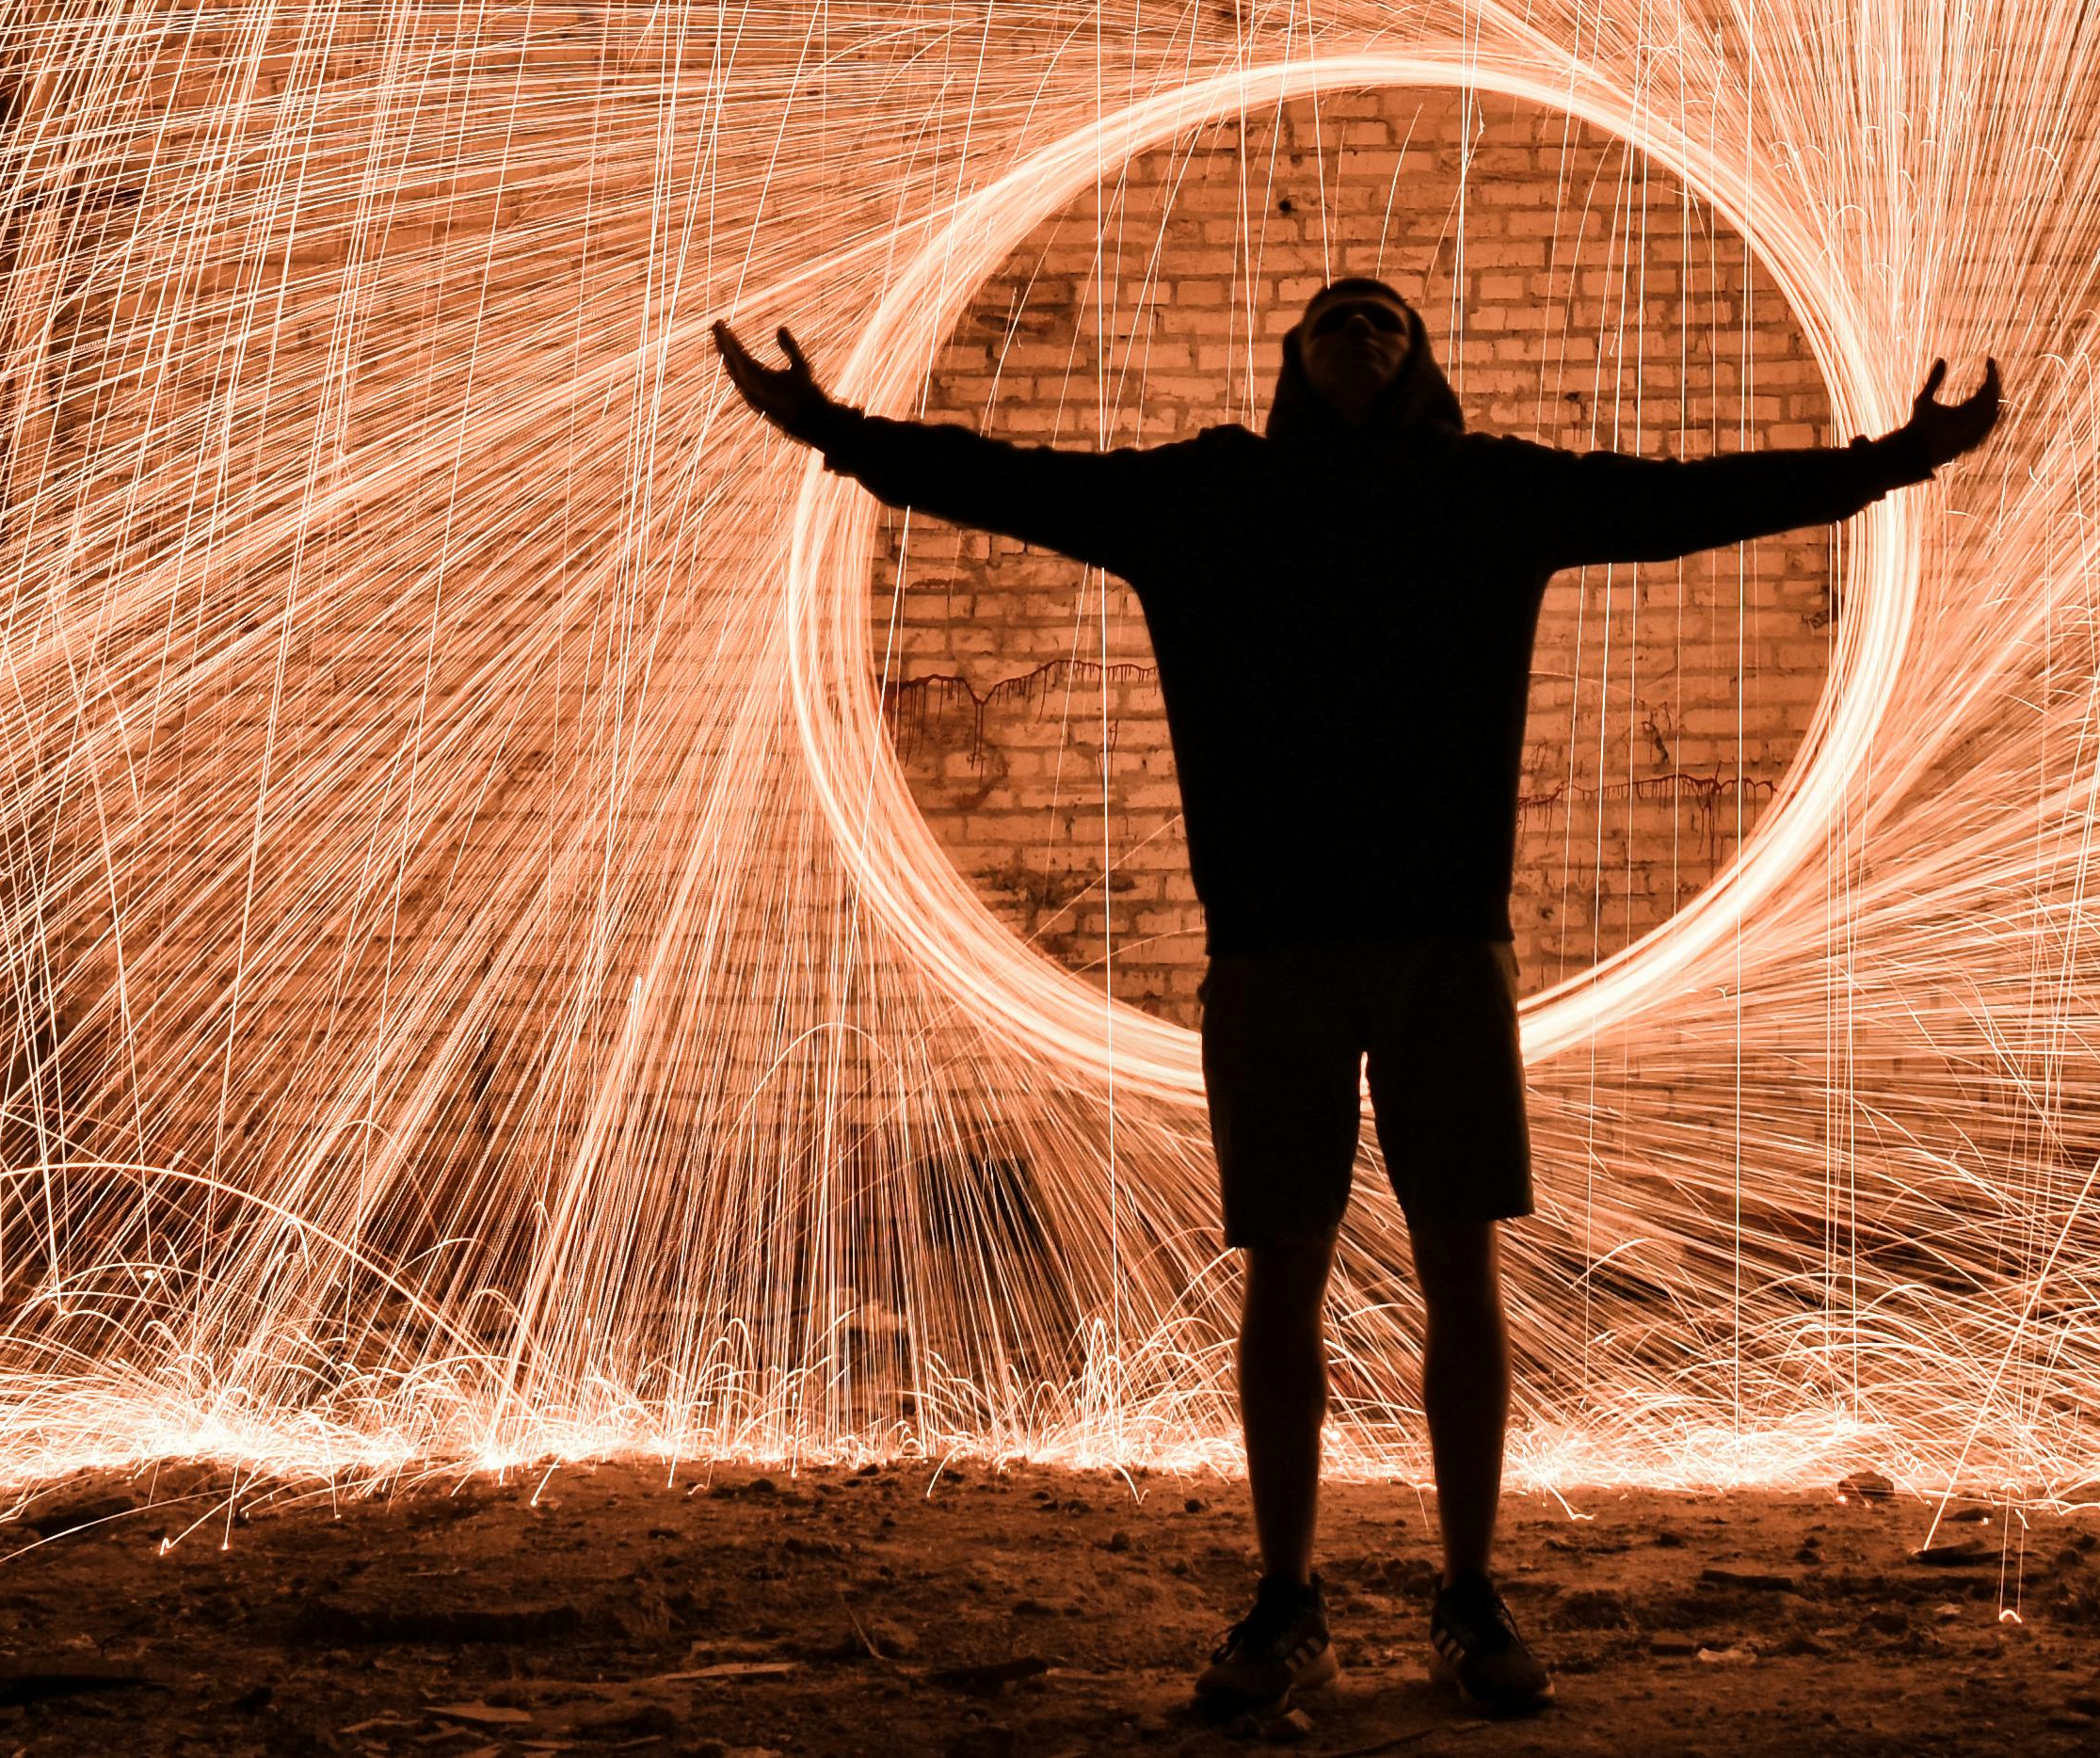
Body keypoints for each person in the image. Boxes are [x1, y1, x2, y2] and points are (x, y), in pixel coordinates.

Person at [712, 273, 2001, 1716]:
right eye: (1333, 315)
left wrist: (1896, 458)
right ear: (1290, 355)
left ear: (1422, 355)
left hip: (1447, 942)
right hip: (1274, 952)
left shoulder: (1486, 492)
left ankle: (1468, 1587)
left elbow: (1683, 502)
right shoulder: (1210, 496)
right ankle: (1287, 1596)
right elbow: (1006, 483)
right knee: (1288, 1273)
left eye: (1385, 316)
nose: (1360, 329)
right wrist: (829, 427)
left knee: (1461, 1265)